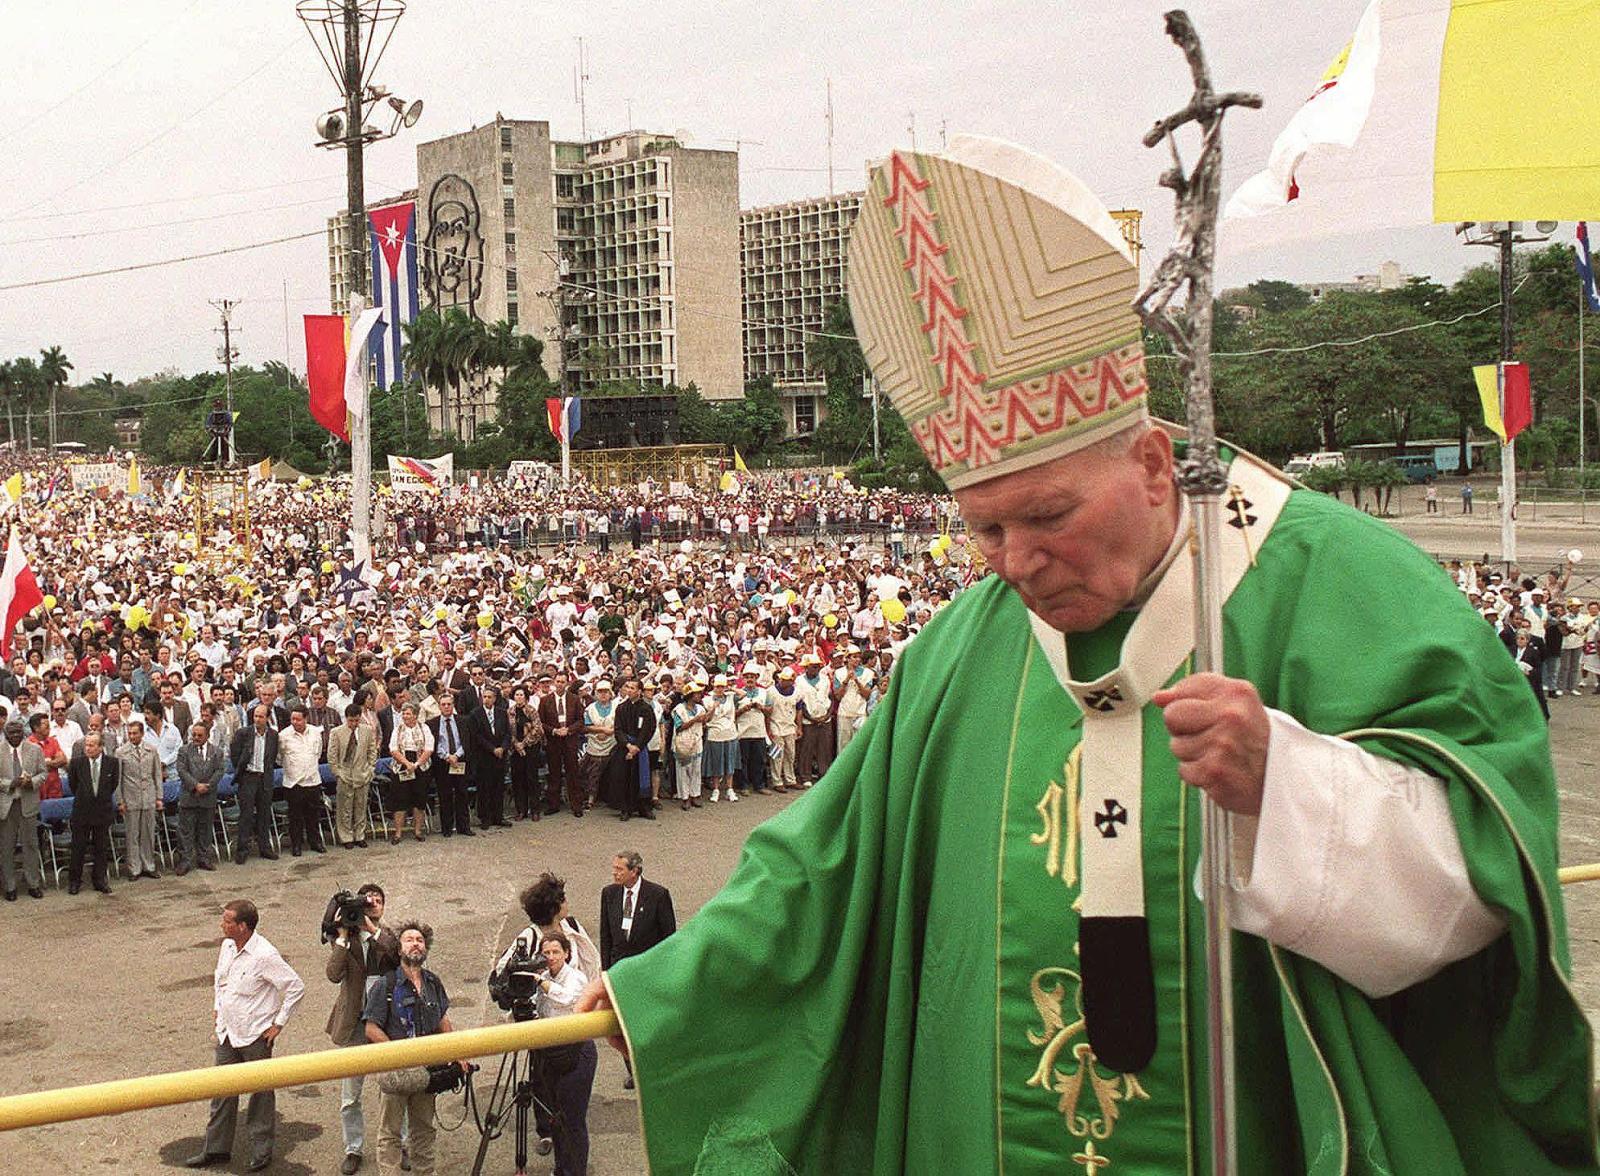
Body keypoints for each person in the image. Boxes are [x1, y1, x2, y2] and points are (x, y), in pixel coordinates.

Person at [577, 140, 1595, 1173]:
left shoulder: (1342, 588)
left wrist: (1289, 787)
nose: (1015, 562)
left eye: (1046, 514)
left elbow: (1487, 877)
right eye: (983, 529)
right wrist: (661, 993)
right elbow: (823, 861)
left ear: (1153, 463)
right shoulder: (959, 651)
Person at [492, 872, 604, 1167]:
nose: (567, 904)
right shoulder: (528, 937)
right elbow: (502, 976)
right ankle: (547, 1132)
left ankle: (569, 1162)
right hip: (541, 1025)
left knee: (570, 1111)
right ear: (554, 906)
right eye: (563, 900)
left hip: (574, 1026)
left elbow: (591, 966)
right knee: (542, 1081)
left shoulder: (573, 927)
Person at [184, 899, 305, 1171]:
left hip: (255, 1036)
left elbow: (295, 987)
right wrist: (218, 1009)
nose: (221, 924)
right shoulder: (227, 946)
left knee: (261, 1095)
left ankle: (262, 1151)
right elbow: (220, 980)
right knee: (221, 1091)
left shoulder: (265, 955)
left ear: (243, 926)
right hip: (228, 1033)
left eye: (227, 921)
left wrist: (278, 1024)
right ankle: (216, 1149)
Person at [362, 920, 466, 1176]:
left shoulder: (433, 983)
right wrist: (398, 1054)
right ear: (399, 949)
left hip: (427, 1071)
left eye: (419, 940)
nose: (415, 944)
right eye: (409, 939)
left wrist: (457, 1054)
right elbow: (370, 1028)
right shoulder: (385, 985)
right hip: (395, 1071)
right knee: (390, 1134)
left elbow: (443, 1020)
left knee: (423, 1132)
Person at [326, 883, 399, 1175]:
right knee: (350, 1095)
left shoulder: (390, 936)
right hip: (355, 1024)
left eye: (378, 901)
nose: (373, 906)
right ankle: (353, 1148)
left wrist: (371, 929)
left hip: (384, 1023)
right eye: (368, 903)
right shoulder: (346, 937)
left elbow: (397, 958)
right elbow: (333, 974)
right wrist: (343, 937)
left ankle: (398, 1143)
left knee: (393, 1088)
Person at [597, 850, 674, 1092]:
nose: (615, 873)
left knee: (649, 1024)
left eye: (620, 869)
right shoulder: (609, 894)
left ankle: (654, 1069)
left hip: (647, 971)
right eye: (614, 868)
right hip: (620, 972)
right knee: (624, 1025)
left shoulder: (657, 895)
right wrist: (606, 973)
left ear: (635, 871)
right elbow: (605, 935)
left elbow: (668, 937)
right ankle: (633, 1070)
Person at [65, 728, 118, 895]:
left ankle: (100, 880)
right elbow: (74, 786)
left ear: (101, 747)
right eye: (87, 745)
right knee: (78, 847)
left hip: (102, 811)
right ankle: (75, 881)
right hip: (82, 812)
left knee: (101, 848)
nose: (88, 748)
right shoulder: (76, 763)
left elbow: (112, 785)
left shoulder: (112, 763)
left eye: (92, 745)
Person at [0, 716, 47, 901]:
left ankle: (33, 883)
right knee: (7, 847)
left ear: (24, 732)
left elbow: (43, 773)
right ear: (6, 734)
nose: (15, 735)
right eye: (11, 732)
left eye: (18, 732)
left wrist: (31, 782)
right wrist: (9, 783)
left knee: (30, 845)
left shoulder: (35, 750)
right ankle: (10, 886)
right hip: (7, 805)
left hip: (28, 803)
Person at [117, 709, 165, 880]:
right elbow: (118, 779)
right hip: (130, 797)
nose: (132, 736)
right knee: (132, 835)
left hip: (149, 796)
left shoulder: (151, 750)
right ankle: (134, 868)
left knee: (148, 833)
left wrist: (159, 797)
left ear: (142, 733)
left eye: (135, 733)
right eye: (129, 733)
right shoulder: (121, 752)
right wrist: (120, 800)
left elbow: (157, 775)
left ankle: (149, 865)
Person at [228, 705, 279, 864]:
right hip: (248, 778)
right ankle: (242, 849)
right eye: (255, 716)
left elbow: (272, 756)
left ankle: (264, 847)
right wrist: (242, 773)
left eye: (261, 717)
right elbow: (235, 755)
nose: (257, 719)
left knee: (264, 814)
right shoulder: (243, 733)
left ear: (267, 718)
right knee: (246, 815)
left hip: (265, 778)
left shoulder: (273, 735)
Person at [174, 720, 225, 874]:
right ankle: (185, 861)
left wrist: (207, 786)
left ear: (207, 736)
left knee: (205, 829)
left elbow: (220, 770)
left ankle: (204, 858)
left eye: (199, 735)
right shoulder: (184, 751)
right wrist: (196, 785)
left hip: (208, 797)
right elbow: (182, 771)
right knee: (186, 831)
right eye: (194, 735)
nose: (196, 737)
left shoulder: (217, 752)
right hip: (189, 796)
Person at [329, 703, 378, 849]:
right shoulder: (336, 732)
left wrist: (370, 769)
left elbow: (372, 751)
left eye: (356, 720)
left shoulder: (367, 731)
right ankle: (346, 836)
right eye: (351, 721)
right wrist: (338, 773)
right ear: (346, 718)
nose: (354, 724)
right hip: (345, 774)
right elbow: (332, 756)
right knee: (345, 808)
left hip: (362, 773)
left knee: (361, 806)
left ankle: (360, 835)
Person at [279, 705, 326, 855]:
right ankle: (296, 845)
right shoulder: (284, 735)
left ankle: (315, 842)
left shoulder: (315, 733)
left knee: (313, 815)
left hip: (312, 780)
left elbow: (317, 753)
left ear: (306, 718)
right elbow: (279, 758)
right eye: (292, 719)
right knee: (295, 817)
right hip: (294, 782)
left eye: (298, 719)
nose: (295, 722)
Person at [538, 672, 585, 817]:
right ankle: (553, 804)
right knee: (554, 773)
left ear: (567, 683)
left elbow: (580, 721)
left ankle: (576, 805)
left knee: (573, 773)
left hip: (570, 741)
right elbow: (541, 723)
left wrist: (569, 730)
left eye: (563, 681)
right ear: (554, 682)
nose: (560, 684)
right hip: (553, 742)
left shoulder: (575, 699)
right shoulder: (545, 700)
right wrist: (554, 731)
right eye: (557, 681)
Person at [610, 678, 657, 821]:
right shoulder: (621, 708)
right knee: (624, 778)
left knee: (641, 777)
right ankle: (626, 808)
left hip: (640, 748)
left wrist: (637, 746)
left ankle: (643, 807)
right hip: (625, 747)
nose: (629, 690)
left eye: (632, 688)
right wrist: (628, 745)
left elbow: (649, 729)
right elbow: (618, 730)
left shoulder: (646, 709)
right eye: (627, 687)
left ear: (640, 691)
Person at [387, 701, 433, 844]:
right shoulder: (398, 729)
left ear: (415, 715)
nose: (405, 716)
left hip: (421, 765)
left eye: (408, 713)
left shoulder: (424, 728)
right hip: (401, 765)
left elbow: (429, 749)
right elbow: (393, 749)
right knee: (400, 800)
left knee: (419, 800)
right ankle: (398, 833)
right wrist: (407, 763)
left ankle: (418, 831)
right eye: (403, 713)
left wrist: (417, 764)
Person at [428, 692, 471, 839]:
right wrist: (447, 756)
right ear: (439, 707)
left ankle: (463, 826)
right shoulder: (432, 723)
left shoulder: (463, 721)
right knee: (445, 796)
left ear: (453, 705)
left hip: (459, 761)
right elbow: (434, 745)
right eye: (443, 704)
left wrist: (456, 755)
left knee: (462, 794)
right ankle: (446, 827)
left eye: (449, 704)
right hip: (442, 764)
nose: (446, 707)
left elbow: (465, 741)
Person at [470, 684, 512, 829]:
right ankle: (485, 817)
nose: (486, 700)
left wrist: (503, 747)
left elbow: (507, 732)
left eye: (489, 697)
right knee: (484, 788)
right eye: (484, 697)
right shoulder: (476, 714)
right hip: (484, 756)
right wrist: (492, 748)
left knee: (498, 787)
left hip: (500, 756)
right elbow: (477, 736)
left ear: (495, 698)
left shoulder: (501, 712)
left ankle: (498, 816)